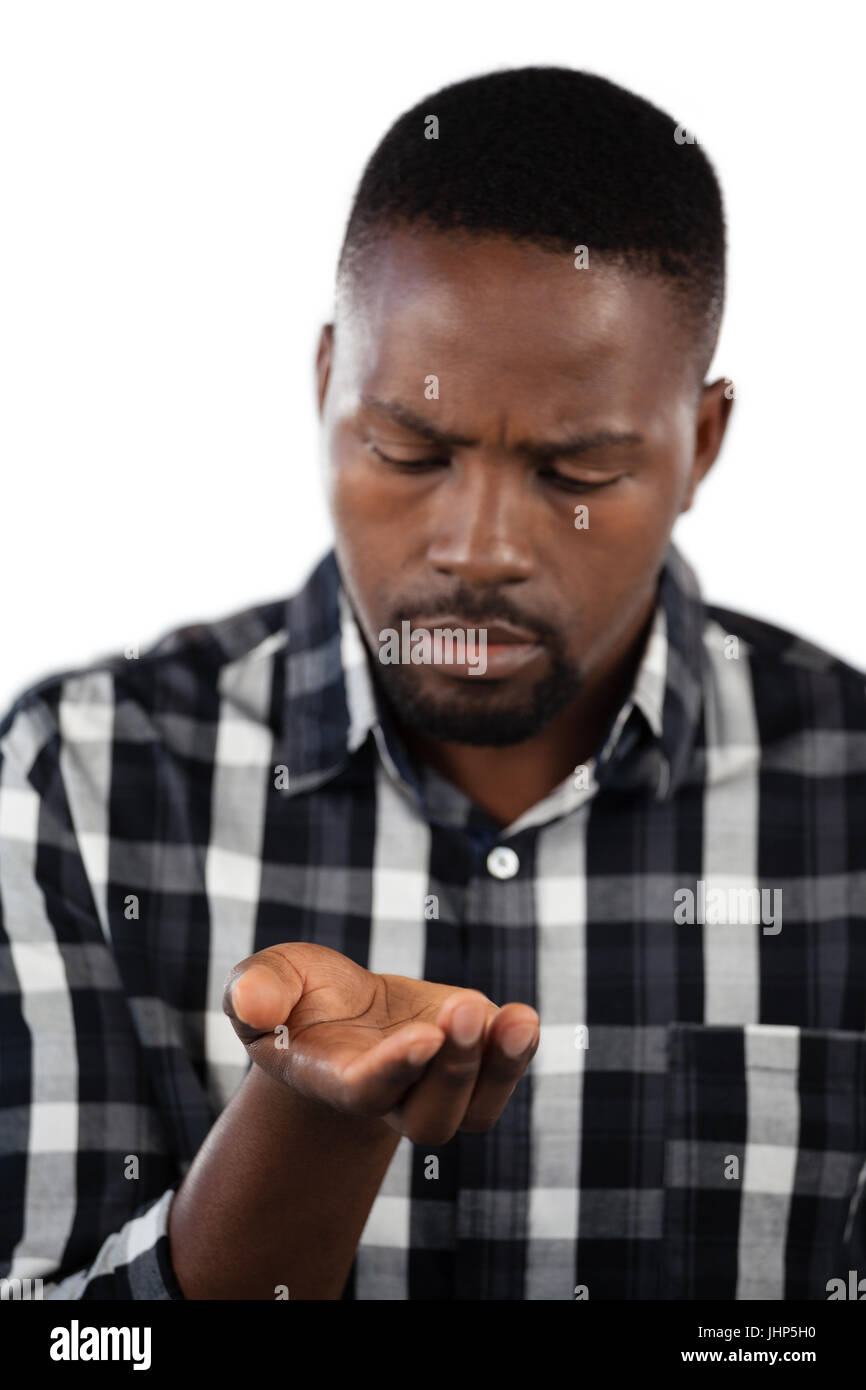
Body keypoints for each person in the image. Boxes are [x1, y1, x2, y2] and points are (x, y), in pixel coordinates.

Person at [1, 66, 864, 1303]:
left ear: (702, 443)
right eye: (409, 449)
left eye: (576, 466)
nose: (481, 546)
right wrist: (304, 1136)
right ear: (322, 388)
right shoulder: (79, 784)